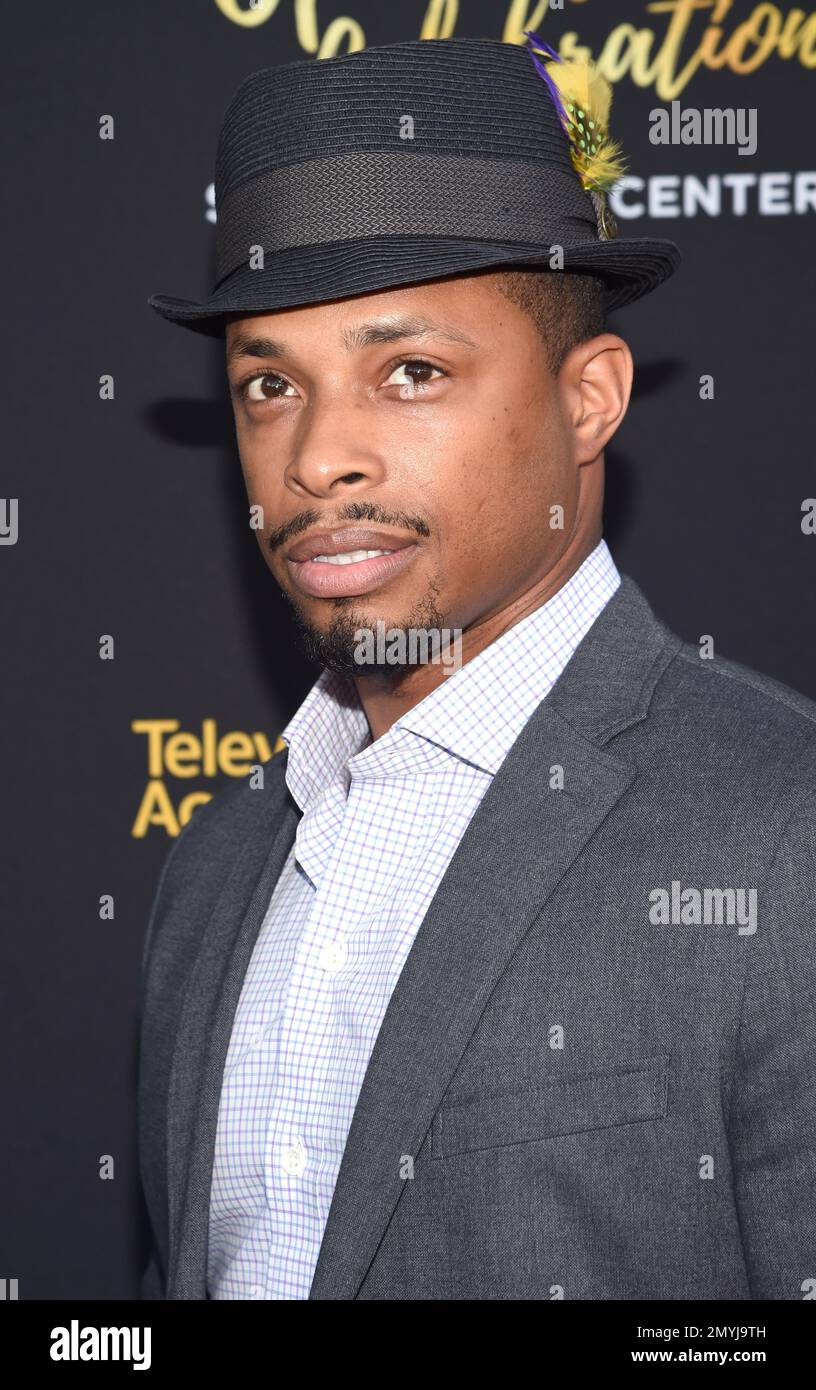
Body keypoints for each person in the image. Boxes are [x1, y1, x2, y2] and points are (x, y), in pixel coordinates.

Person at [139, 35, 816, 1300]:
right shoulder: (211, 869)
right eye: (269, 383)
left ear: (589, 399)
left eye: (410, 372)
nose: (319, 455)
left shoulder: (786, 837)